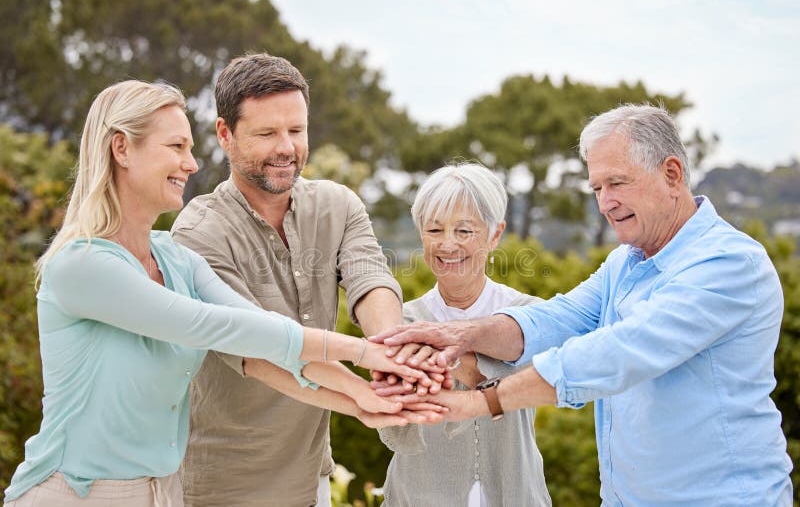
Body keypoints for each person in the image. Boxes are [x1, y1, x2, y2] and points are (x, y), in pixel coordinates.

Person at [2, 80, 435, 507]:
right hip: (73, 494)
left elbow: (264, 334)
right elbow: (219, 326)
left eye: (189, 149)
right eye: (175, 147)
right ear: (121, 149)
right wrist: (362, 355)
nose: (191, 165)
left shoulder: (176, 259)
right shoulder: (84, 265)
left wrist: (361, 400)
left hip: (161, 494)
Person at [373, 104, 794, 506]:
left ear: (671, 174)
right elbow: (559, 319)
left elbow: (622, 351)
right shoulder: (624, 264)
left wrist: (486, 400)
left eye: (617, 183)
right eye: (597, 188)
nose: (605, 202)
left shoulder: (729, 264)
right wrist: (463, 334)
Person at [170, 54, 442, 507]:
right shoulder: (198, 233)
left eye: (296, 131)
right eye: (267, 133)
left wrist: (393, 353)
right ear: (225, 135)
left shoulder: (339, 205)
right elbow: (255, 351)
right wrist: (362, 390)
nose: (286, 147)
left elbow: (369, 281)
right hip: (219, 484)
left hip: (311, 476)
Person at [375, 163, 551, 506]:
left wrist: (456, 358)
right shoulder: (400, 320)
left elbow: (553, 384)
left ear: (495, 235)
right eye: (435, 230)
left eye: (464, 231)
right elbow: (393, 428)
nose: (447, 245)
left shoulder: (529, 314)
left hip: (516, 491)